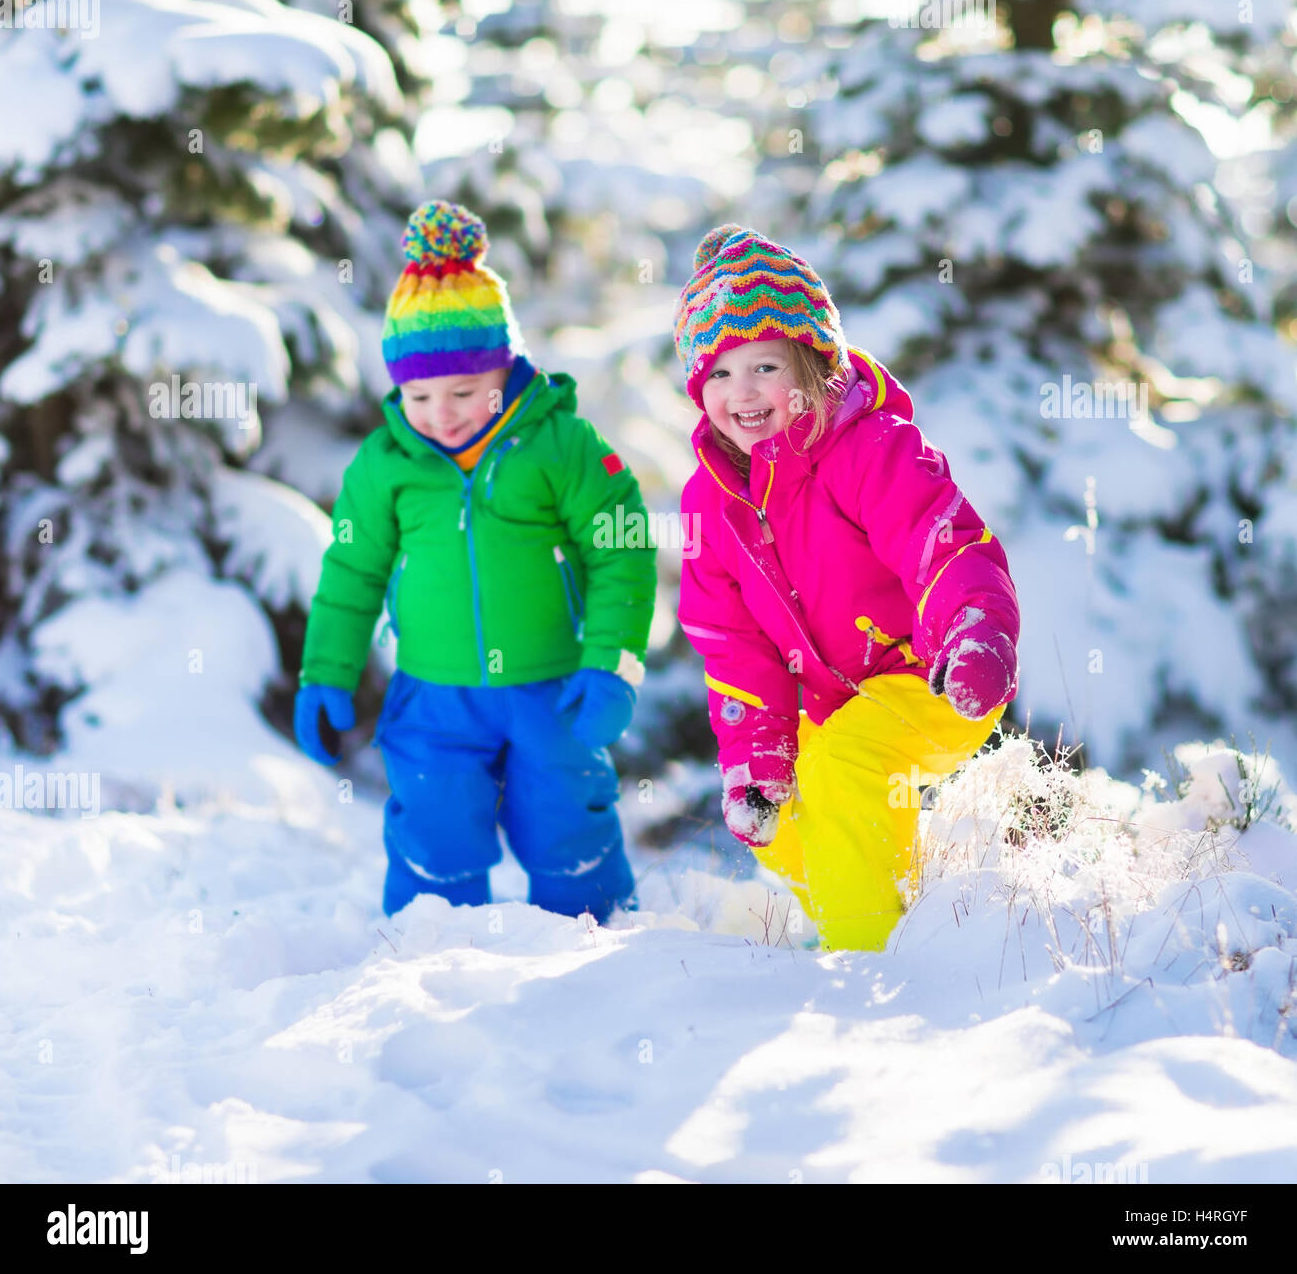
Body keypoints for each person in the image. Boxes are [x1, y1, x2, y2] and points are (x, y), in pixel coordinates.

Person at [294, 199, 657, 922]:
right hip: (433, 697)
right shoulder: (385, 464)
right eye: (419, 393)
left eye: (464, 391)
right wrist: (327, 669)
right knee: (433, 830)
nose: (442, 412)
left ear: (505, 365)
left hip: (553, 689)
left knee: (568, 828)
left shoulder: (563, 444)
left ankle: (598, 957)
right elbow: (351, 573)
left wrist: (612, 664)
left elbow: (623, 552)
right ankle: (435, 960)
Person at [674, 223, 1020, 951]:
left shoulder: (871, 449)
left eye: (764, 366)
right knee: (779, 817)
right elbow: (729, 643)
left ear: (809, 365)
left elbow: (941, 541)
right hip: (834, 703)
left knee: (843, 766)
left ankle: (868, 968)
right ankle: (893, 915)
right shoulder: (709, 503)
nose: (743, 393)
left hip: (928, 673)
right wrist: (757, 757)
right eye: (720, 375)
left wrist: (972, 631)